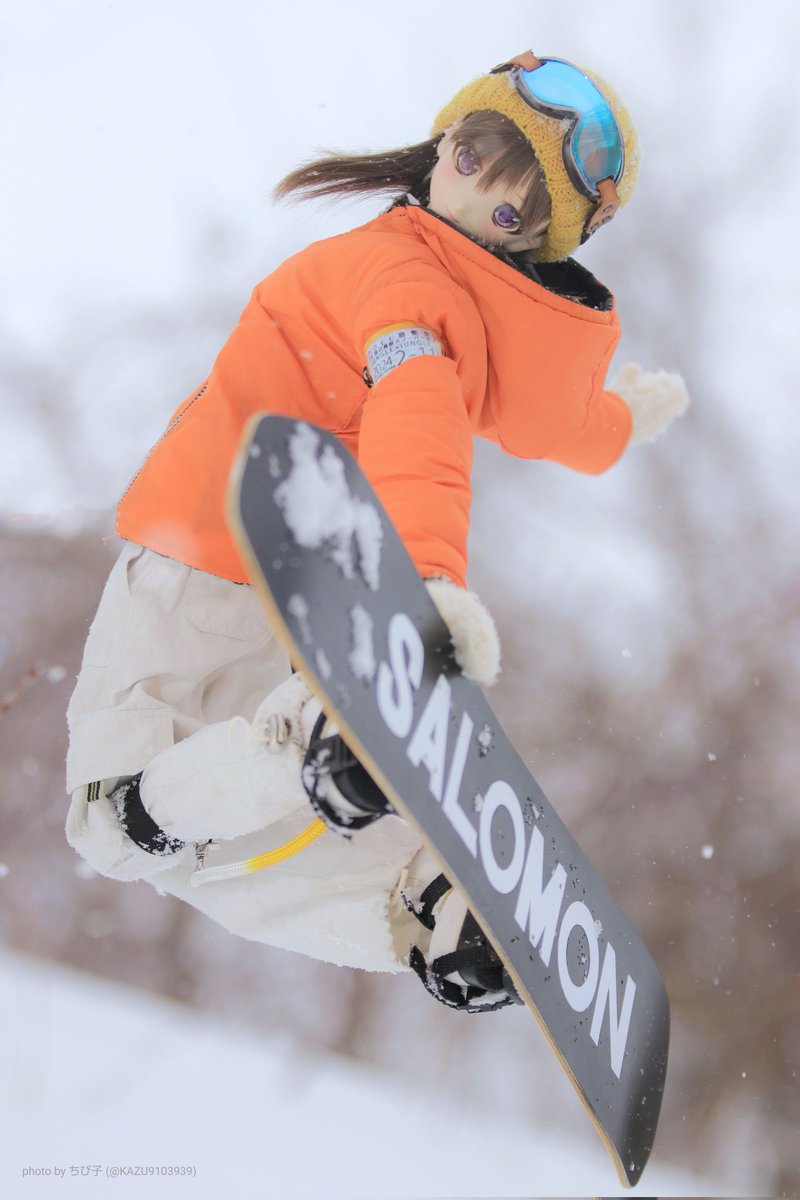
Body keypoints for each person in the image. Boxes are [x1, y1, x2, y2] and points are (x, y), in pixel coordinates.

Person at [66, 51, 688, 1012]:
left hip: (204, 557)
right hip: (297, 602)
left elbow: (419, 420)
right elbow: (547, 419)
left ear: (524, 244)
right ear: (450, 134)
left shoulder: (403, 281)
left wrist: (432, 585)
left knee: (115, 825)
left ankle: (317, 741)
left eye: (513, 212)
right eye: (479, 149)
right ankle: (431, 909)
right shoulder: (471, 313)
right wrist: (616, 425)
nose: (476, 186)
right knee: (212, 840)